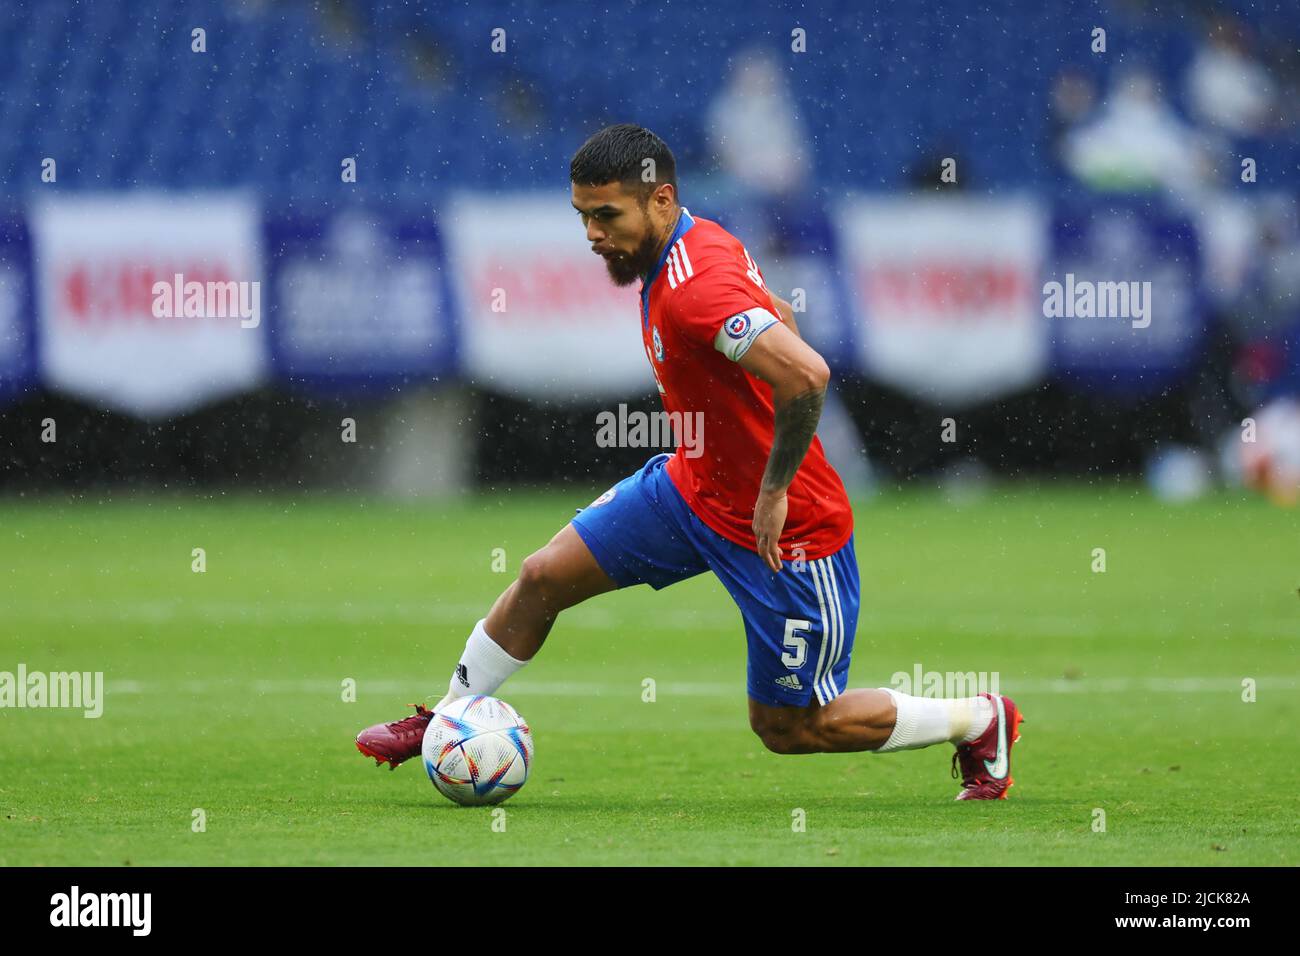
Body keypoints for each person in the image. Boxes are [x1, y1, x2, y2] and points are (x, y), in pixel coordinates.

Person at [356, 124, 1023, 799]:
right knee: (541, 578)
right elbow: (781, 314)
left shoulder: (695, 286)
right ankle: (448, 716)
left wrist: (772, 491)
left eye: (607, 215)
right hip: (692, 488)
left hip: (787, 535)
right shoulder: (694, 243)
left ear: (662, 201)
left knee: (792, 728)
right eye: (583, 216)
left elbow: (808, 375)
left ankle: (977, 720)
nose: (592, 233)